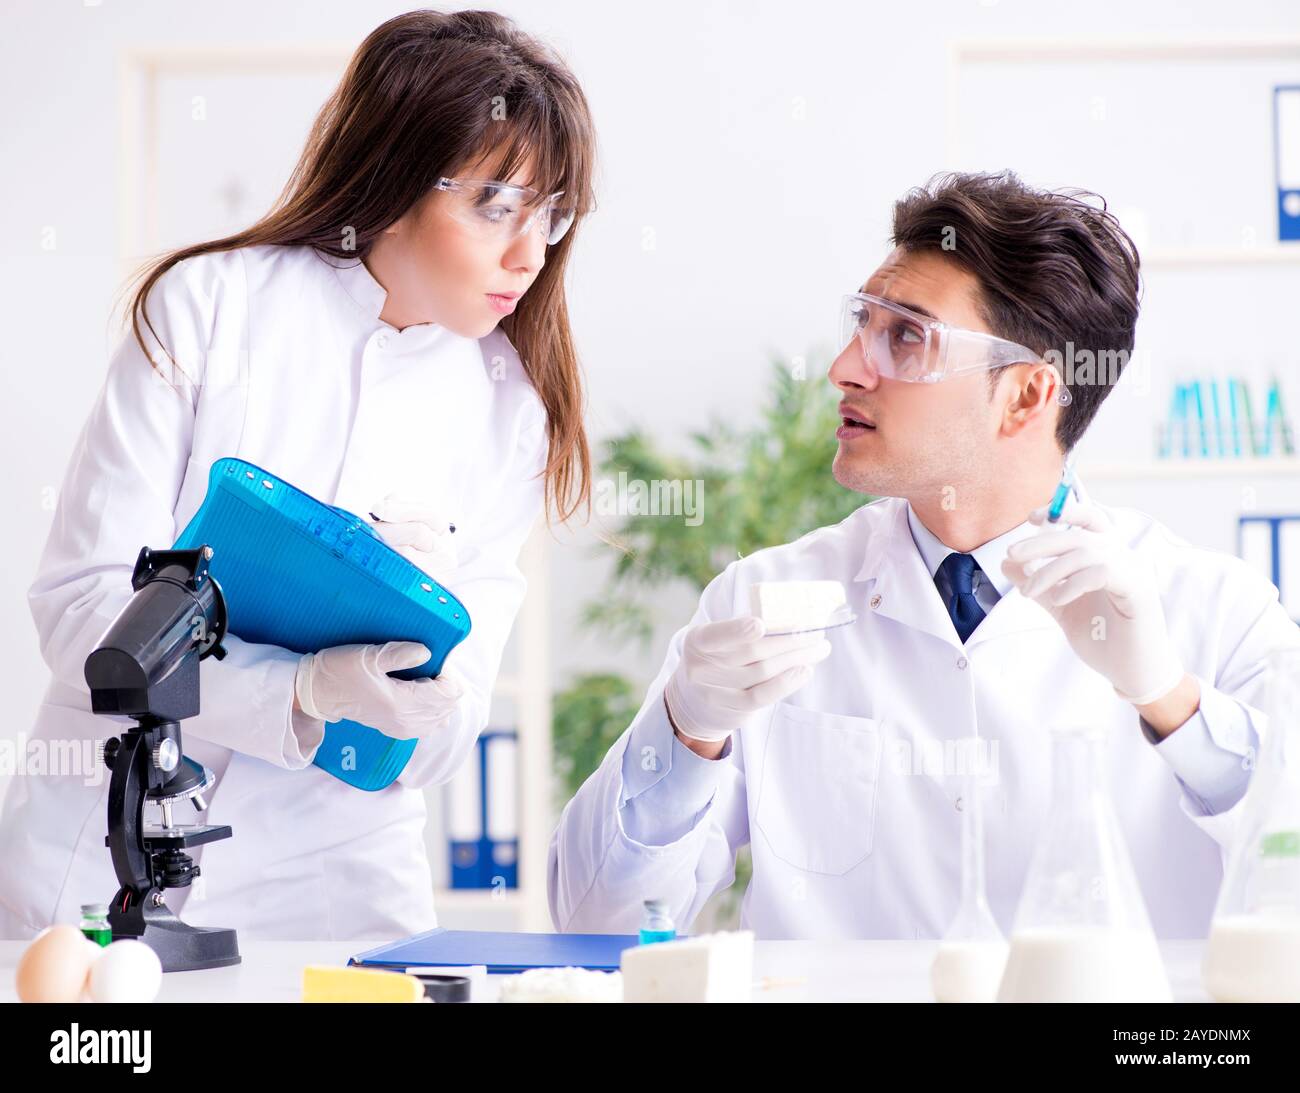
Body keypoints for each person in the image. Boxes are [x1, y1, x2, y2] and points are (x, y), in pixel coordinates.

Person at [548, 171, 1300, 940]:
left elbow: (1289, 875)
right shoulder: (764, 598)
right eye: (862, 324)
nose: (844, 366)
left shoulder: (1217, 610)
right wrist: (685, 728)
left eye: (905, 335)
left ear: (1027, 396)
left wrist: (1171, 700)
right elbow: (589, 923)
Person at [0, 9, 595, 941]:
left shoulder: (510, 409)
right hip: (98, 856)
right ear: (396, 172)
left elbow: (457, 707)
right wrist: (300, 691)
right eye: (496, 204)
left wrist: (419, 712)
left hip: (336, 892)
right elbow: (81, 607)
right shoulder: (210, 308)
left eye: (553, 214)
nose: (532, 252)